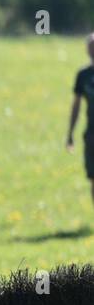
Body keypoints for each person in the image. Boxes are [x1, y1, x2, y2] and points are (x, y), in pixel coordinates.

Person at [66, 32, 94, 207]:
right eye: (90, 47)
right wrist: (70, 133)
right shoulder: (83, 75)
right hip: (91, 135)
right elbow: (76, 106)